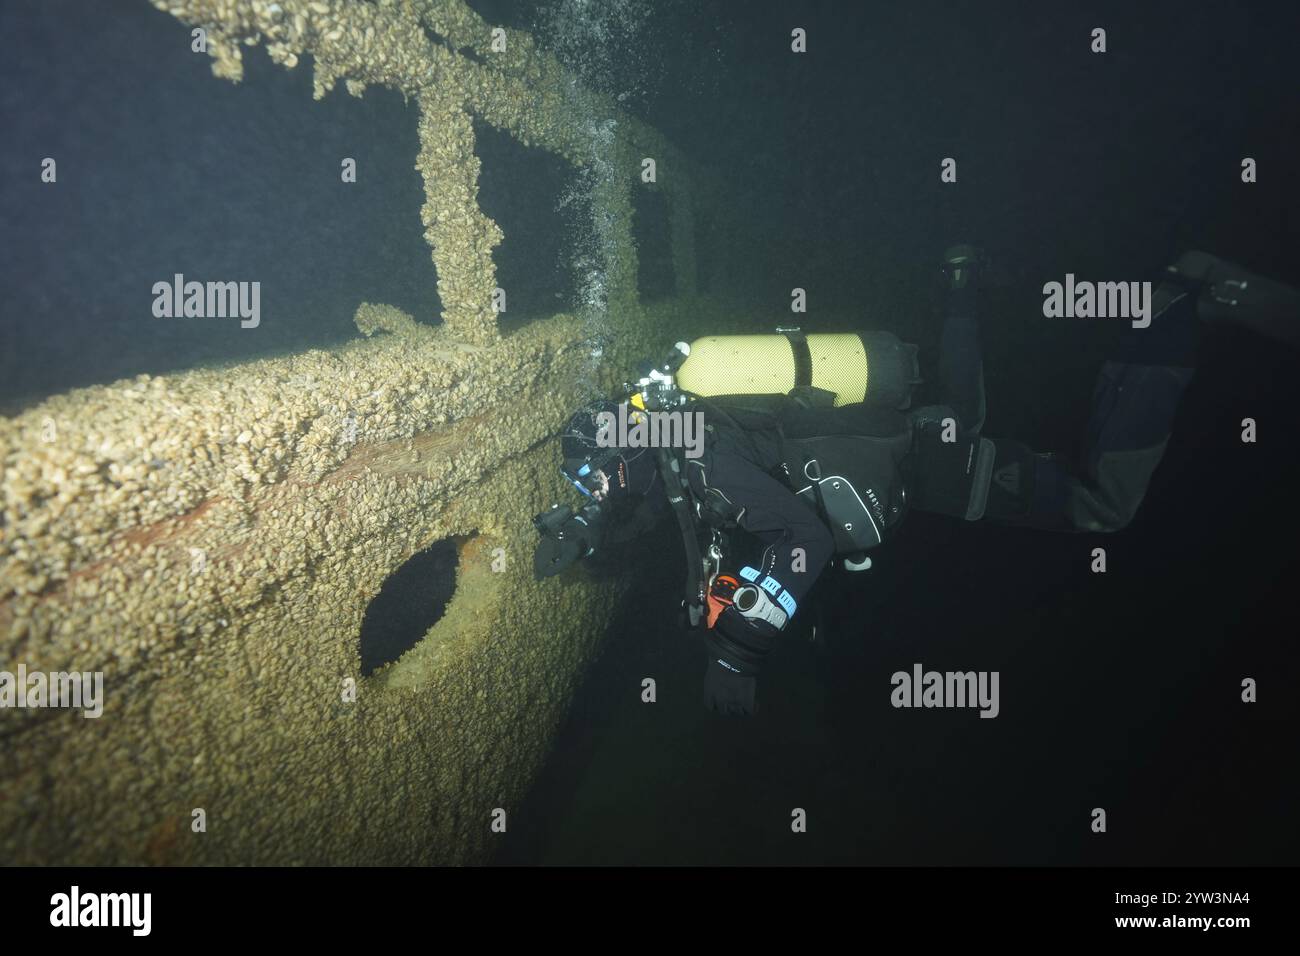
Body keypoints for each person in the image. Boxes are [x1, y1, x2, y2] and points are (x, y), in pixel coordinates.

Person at [541, 247, 1299, 716]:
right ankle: (962, 282)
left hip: (933, 472)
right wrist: (587, 529)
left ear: (626, 454)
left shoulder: (695, 456)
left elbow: (801, 534)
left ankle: (1173, 314)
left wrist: (738, 652)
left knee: (1102, 511)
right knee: (963, 411)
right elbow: (696, 511)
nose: (599, 498)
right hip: (906, 442)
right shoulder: (683, 440)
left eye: (595, 485)